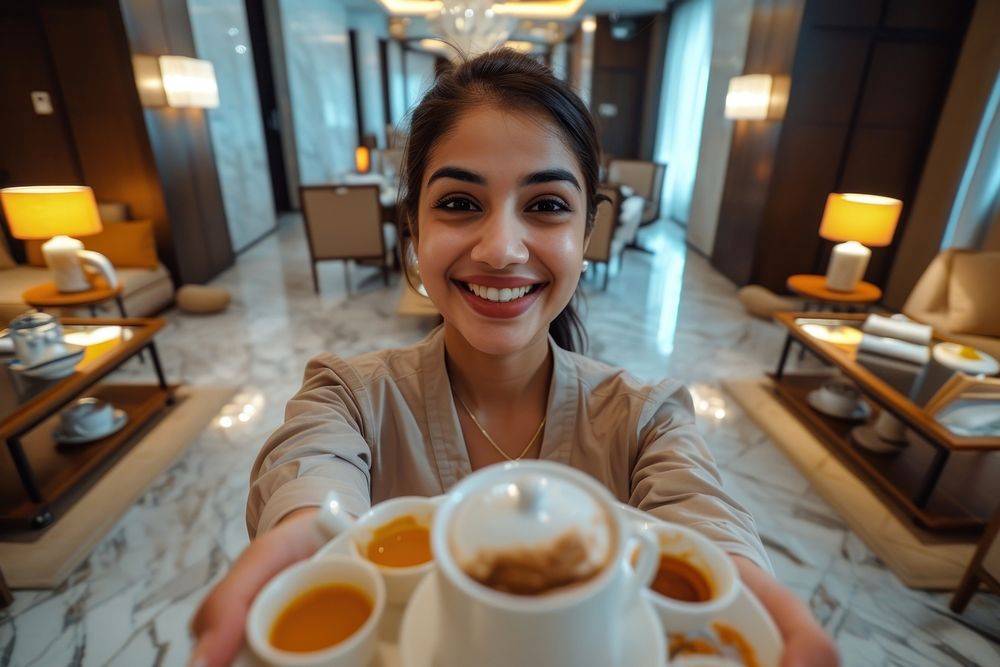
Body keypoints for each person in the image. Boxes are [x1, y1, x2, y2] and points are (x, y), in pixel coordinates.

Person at [190, 49, 838, 667]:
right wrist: (311, 532)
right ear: (413, 229)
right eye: (460, 203)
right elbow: (310, 474)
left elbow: (703, 521)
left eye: (547, 206)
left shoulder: (648, 420)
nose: (502, 248)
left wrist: (738, 580)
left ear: (587, 234)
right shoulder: (349, 397)